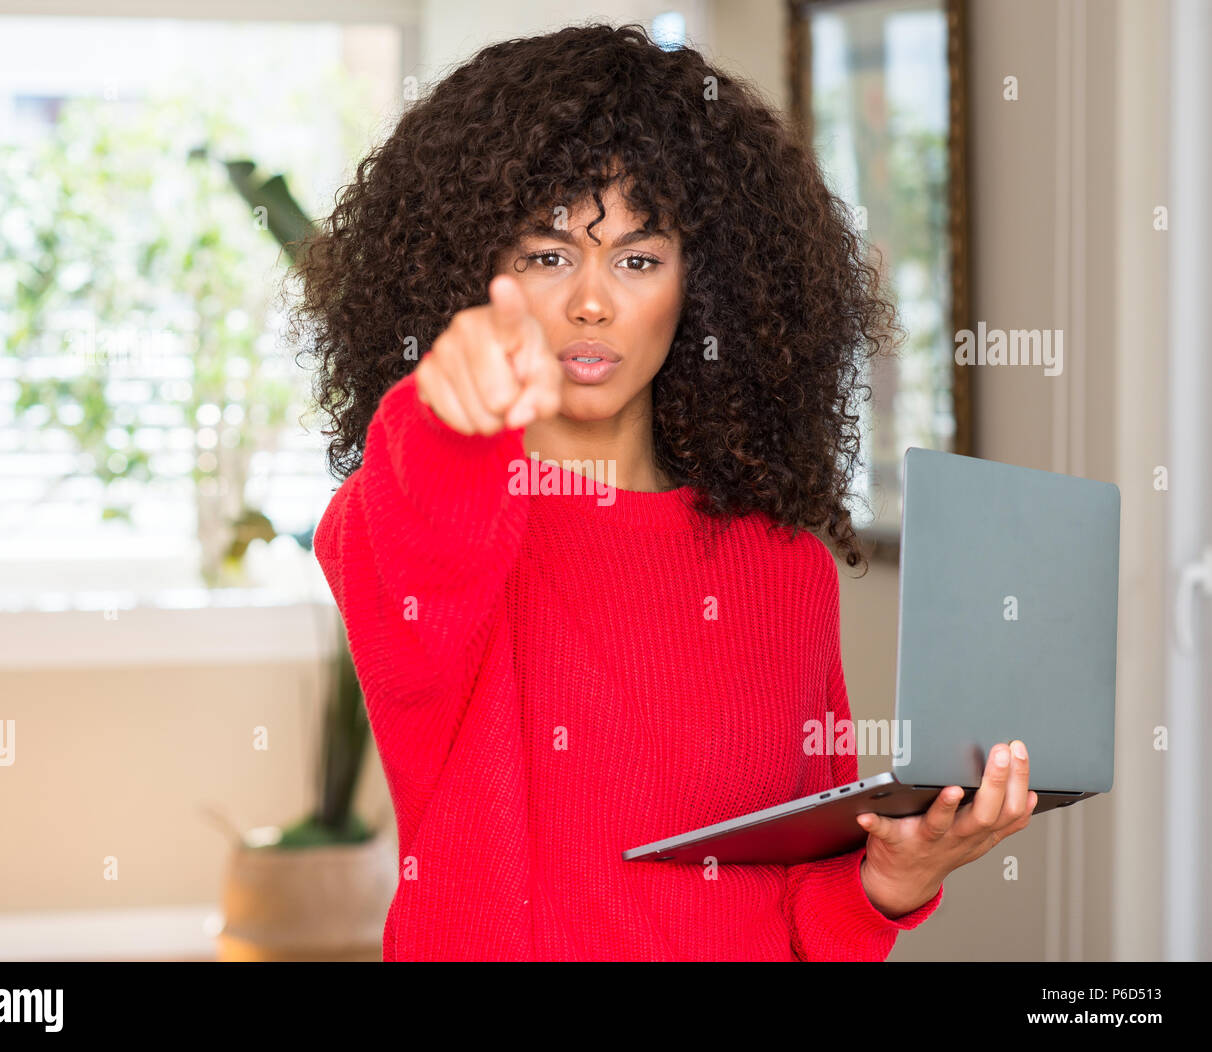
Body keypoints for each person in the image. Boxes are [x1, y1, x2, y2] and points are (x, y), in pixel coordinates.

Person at [289, 21, 1035, 961]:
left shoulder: (783, 565)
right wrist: (445, 410)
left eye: (638, 259)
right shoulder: (414, 526)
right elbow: (420, 532)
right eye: (546, 254)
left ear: (705, 285)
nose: (591, 301)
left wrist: (891, 882)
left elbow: (802, 904)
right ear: (470, 271)